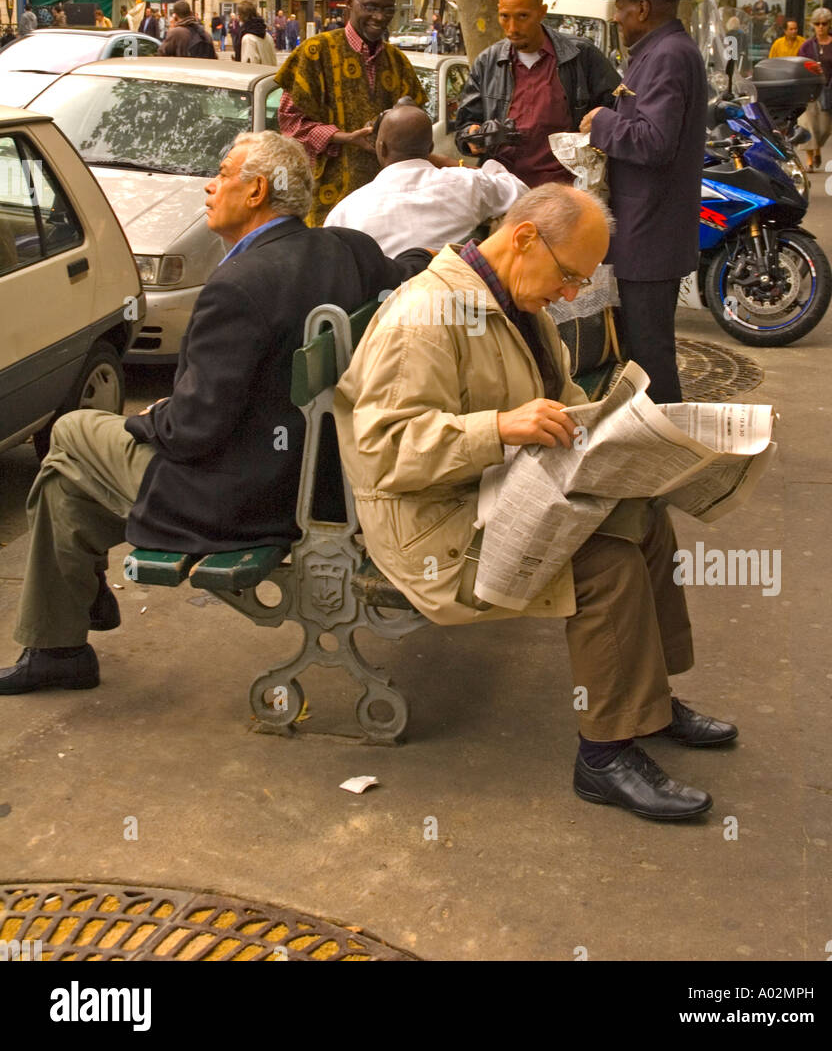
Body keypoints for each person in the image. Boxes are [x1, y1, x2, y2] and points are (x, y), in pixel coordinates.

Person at [334, 184, 737, 823]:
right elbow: (383, 451)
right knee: (605, 566)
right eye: (570, 275)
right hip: (435, 529)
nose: (574, 294)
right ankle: (604, 758)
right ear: (524, 238)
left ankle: (649, 701)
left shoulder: (516, 299)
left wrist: (625, 440)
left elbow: (563, 396)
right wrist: (498, 427)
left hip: (492, 490)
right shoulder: (427, 317)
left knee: (645, 516)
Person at [0, 134, 431, 697]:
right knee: (68, 485)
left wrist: (150, 417)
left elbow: (193, 430)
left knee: (71, 434)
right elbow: (411, 270)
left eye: (221, 173)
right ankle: (61, 641)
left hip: (248, 499)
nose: (209, 185)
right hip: (323, 477)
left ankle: (67, 628)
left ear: (255, 191)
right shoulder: (348, 247)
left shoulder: (237, 285)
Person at [579, 0, 707, 404]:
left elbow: (655, 141)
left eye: (621, 6)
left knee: (652, 359)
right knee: (641, 356)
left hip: (650, 236)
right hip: (645, 234)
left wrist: (600, 122)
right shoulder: (658, 53)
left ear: (643, 8)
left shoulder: (669, 55)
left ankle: (669, 451)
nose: (617, 17)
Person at [275, 0, 426, 225]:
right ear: (349, 2)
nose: (379, 17)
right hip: (326, 204)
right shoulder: (315, 53)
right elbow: (290, 124)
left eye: (388, 10)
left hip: (385, 207)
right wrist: (344, 137)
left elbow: (417, 127)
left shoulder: (397, 62)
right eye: (370, 7)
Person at [455, 0, 620, 188]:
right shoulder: (487, 62)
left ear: (542, 12)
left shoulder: (581, 56)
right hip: (504, 191)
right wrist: (472, 138)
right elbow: (463, 129)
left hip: (565, 191)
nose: (512, 27)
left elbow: (619, 110)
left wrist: (598, 121)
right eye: (505, 16)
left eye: (523, 16)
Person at [323, 102, 527, 255]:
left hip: (387, 308)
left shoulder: (345, 213)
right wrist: (455, 164)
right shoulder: (468, 184)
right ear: (430, 148)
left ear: (381, 147)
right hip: (460, 302)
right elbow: (520, 189)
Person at [797, 7, 832, 171]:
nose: (820, 27)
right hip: (809, 90)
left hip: (827, 90)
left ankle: (817, 148)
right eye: (817, 24)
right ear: (813, 25)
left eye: (824, 24)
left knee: (824, 128)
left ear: (829, 25)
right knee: (808, 124)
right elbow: (799, 64)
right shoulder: (807, 46)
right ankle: (809, 160)